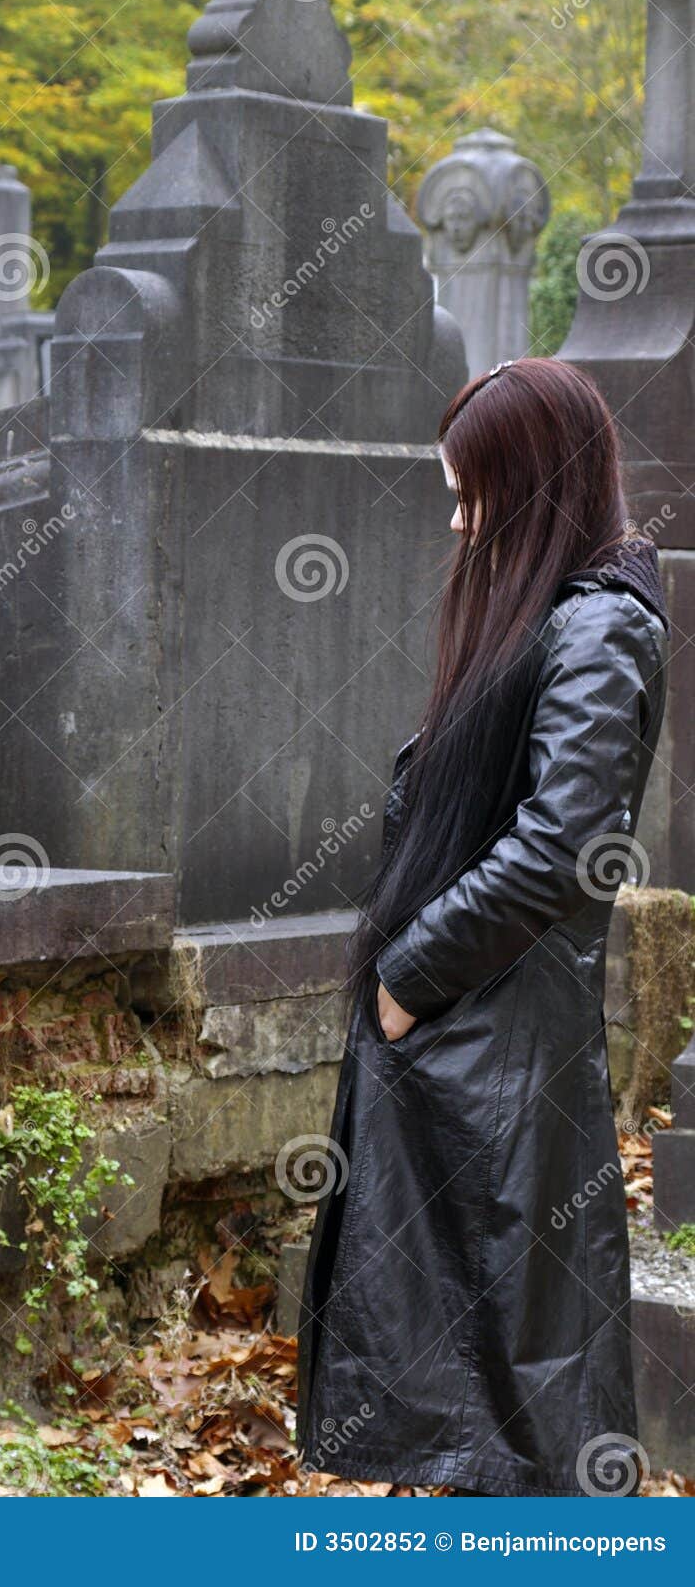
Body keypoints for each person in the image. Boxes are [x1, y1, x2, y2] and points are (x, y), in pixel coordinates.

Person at [297, 358, 669, 1497]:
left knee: (512, 1388)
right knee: (468, 1383)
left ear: (536, 486)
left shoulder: (597, 629)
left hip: (493, 1044)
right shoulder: (551, 620)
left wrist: (409, 975)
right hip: (466, 1044)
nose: (459, 521)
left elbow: (558, 845)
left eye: (476, 492)